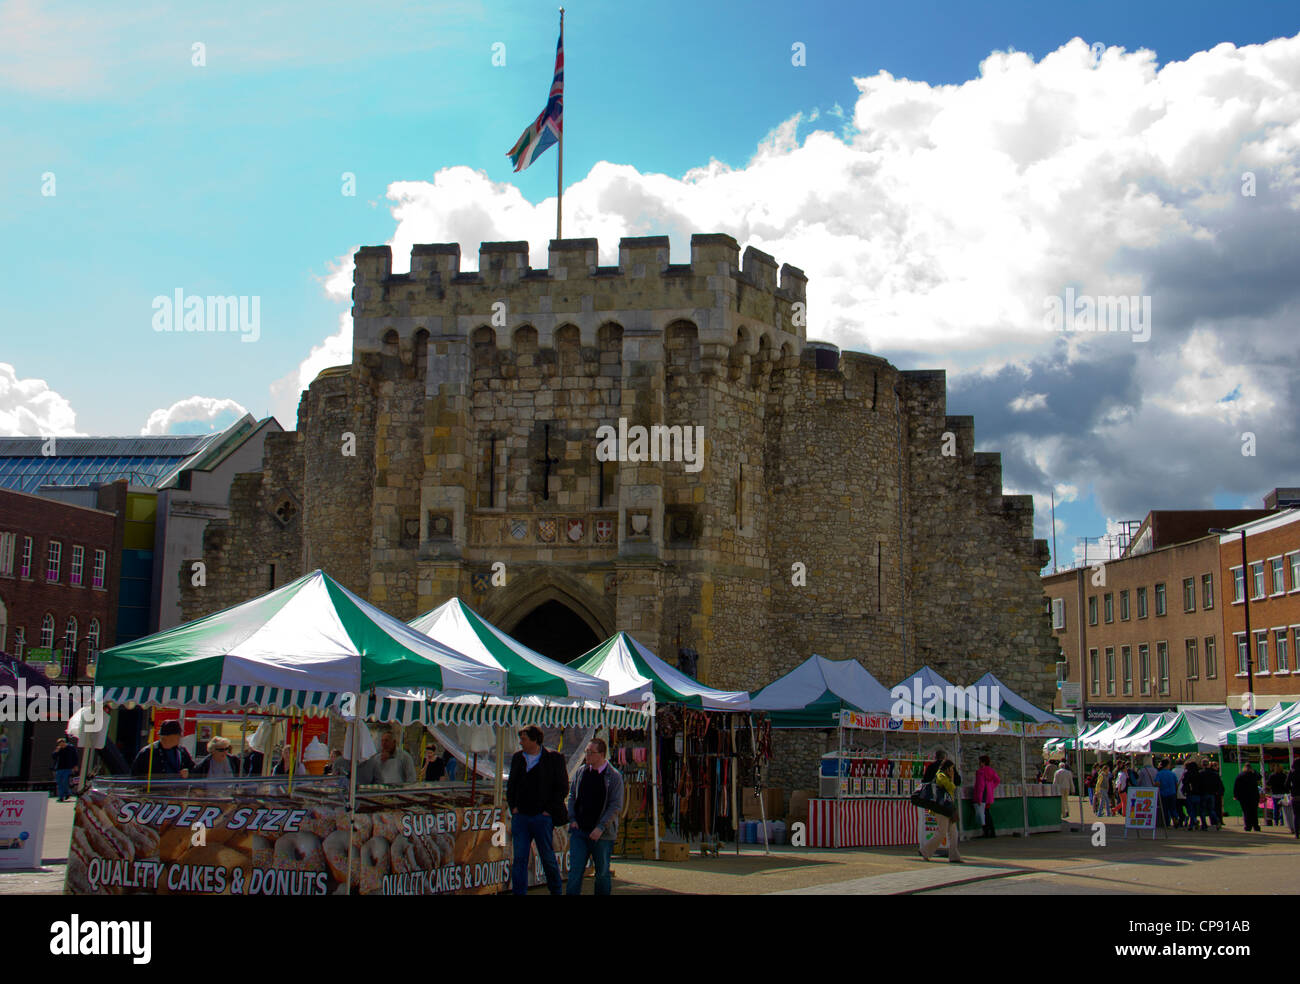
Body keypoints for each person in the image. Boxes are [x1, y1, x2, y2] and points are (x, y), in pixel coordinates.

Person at [506, 725, 568, 896]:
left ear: (535, 740)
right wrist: (514, 808)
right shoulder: (518, 758)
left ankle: (555, 890)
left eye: (524, 739)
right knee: (520, 859)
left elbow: (562, 788)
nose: (521, 742)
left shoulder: (554, 758)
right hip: (522, 817)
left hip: (542, 817)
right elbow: (511, 785)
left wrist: (549, 810)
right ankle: (519, 892)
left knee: (547, 857)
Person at [566, 738, 625, 896]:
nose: (587, 756)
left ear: (602, 754)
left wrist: (600, 827)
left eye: (591, 753)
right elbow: (572, 796)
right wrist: (572, 819)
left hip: (602, 835)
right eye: (586, 752)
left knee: (602, 873)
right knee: (575, 872)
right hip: (579, 831)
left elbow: (615, 806)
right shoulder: (581, 772)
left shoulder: (613, 777)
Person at [918, 760, 962, 863]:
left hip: (949, 807)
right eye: (951, 769)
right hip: (941, 808)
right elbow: (951, 787)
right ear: (946, 768)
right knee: (942, 832)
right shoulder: (940, 776)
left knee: (954, 832)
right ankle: (925, 851)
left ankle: (954, 855)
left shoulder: (946, 776)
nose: (952, 771)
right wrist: (951, 778)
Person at [973, 754, 1000, 838]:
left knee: (983, 815)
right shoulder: (991, 771)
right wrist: (991, 787)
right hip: (988, 794)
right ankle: (992, 831)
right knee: (987, 813)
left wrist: (979, 798)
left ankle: (986, 832)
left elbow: (980, 786)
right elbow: (997, 780)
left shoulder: (980, 772)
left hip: (982, 795)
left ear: (983, 762)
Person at [1233, 760, 1261, 832]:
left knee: (1246, 811)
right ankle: (1256, 826)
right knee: (1254, 811)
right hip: (1254, 796)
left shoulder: (1240, 775)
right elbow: (1259, 776)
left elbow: (1236, 786)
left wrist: (1236, 795)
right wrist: (1254, 771)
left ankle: (1248, 826)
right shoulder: (1253, 775)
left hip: (1244, 797)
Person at [1200, 760, 1224, 830]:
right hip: (1212, 793)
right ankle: (1217, 821)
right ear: (1208, 765)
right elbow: (1219, 784)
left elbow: (1199, 784)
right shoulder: (1214, 774)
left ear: (1202, 765)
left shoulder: (1200, 773)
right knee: (1211, 809)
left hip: (1203, 793)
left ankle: (1204, 825)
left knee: (1203, 810)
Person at [1155, 759, 1178, 828]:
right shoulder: (1172, 773)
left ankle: (1167, 823)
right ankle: (1175, 819)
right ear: (1168, 765)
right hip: (1172, 793)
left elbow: (1157, 783)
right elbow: (1176, 783)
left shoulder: (1159, 773)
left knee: (1164, 809)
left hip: (1163, 793)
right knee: (1173, 808)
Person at [1182, 760, 1203, 830]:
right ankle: (1191, 825)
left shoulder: (1187, 774)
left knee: (1190, 810)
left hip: (1190, 794)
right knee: (1194, 810)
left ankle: (1194, 820)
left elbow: (1184, 782)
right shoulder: (1199, 774)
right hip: (1198, 794)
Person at [1286, 761, 1300, 838]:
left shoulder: (1292, 772)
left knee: (1296, 815)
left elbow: (1286, 784)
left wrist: (1292, 790)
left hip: (1295, 796)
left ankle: (1297, 833)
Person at [1172, 758, 1188, 827]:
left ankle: (1182, 819)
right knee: (1188, 807)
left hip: (1177, 792)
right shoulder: (1186, 771)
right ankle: (1189, 818)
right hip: (1185, 792)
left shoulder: (1173, 771)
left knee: (1178, 808)